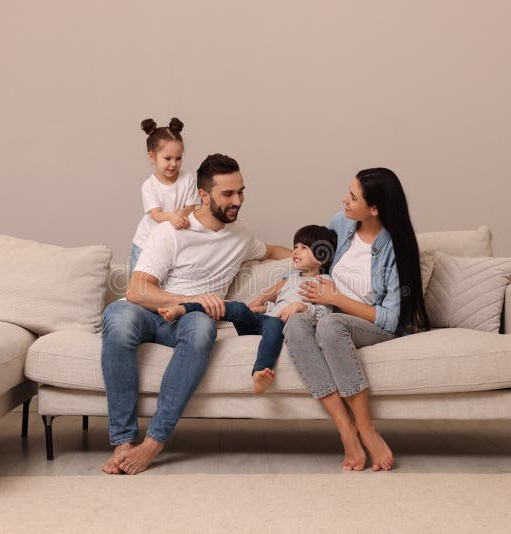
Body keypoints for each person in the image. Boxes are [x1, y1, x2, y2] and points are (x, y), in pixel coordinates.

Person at [101, 154, 291, 475]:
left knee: (204, 328)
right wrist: (192, 299)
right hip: (150, 312)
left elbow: (271, 251)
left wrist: (312, 260)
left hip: (189, 321)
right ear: (203, 195)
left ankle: (153, 442)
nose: (238, 201)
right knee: (118, 318)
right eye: (228, 194)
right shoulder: (173, 231)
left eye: (241, 192)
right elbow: (137, 290)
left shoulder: (239, 234)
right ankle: (123, 442)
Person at [284, 168, 430, 472]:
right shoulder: (341, 224)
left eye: (352, 197)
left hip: (371, 326)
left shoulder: (396, 248)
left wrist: (336, 299)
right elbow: (315, 257)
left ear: (374, 208)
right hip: (328, 313)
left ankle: (367, 430)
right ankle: (345, 429)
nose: (344, 200)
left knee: (331, 324)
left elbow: (390, 319)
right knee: (296, 324)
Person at [157, 224, 338, 394]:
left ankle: (259, 373)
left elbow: (325, 314)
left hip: (280, 328)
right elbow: (275, 301)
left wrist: (301, 306)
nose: (296, 251)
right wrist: (261, 307)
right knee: (238, 307)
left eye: (304, 248)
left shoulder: (324, 282)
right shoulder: (291, 277)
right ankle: (183, 309)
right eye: (296, 246)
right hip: (265, 320)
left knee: (274, 323)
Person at [130, 117, 199, 272]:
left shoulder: (187, 179)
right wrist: (173, 217)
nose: (173, 164)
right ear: (152, 157)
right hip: (145, 244)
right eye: (167, 158)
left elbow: (190, 206)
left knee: (162, 286)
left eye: (178, 158)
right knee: (139, 285)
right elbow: (156, 215)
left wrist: (182, 213)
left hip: (170, 242)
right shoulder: (149, 186)